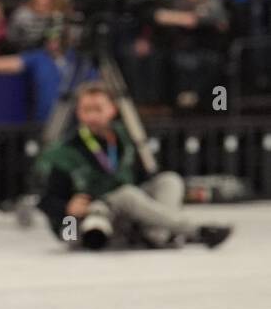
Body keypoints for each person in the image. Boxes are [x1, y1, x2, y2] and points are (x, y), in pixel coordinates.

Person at [34, 82, 232, 249]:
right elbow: (44, 199)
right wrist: (66, 208)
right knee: (127, 194)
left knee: (169, 181)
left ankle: (157, 234)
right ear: (78, 113)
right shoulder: (65, 149)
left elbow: (144, 178)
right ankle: (194, 230)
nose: (92, 116)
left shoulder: (126, 137)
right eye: (86, 110)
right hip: (79, 223)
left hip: (124, 213)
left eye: (98, 109)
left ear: (112, 109)